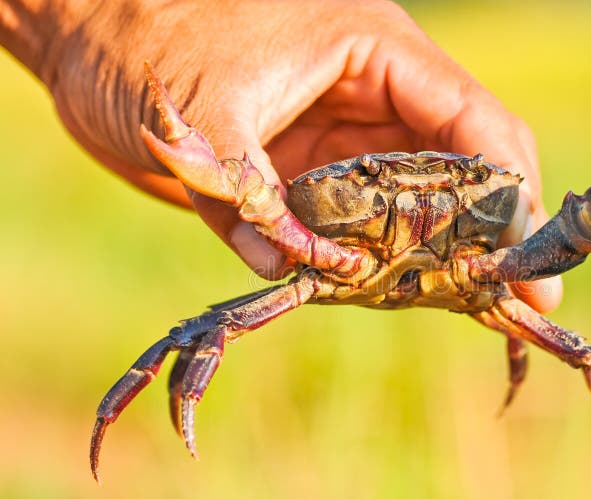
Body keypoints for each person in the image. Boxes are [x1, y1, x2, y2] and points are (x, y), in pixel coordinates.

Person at [0, 0, 562, 312]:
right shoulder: (287, 198)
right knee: (206, 330)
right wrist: (91, 14)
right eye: (369, 177)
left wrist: (72, 23)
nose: (416, 201)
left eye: (462, 177)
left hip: (467, 275)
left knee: (571, 345)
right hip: (319, 252)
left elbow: (582, 236)